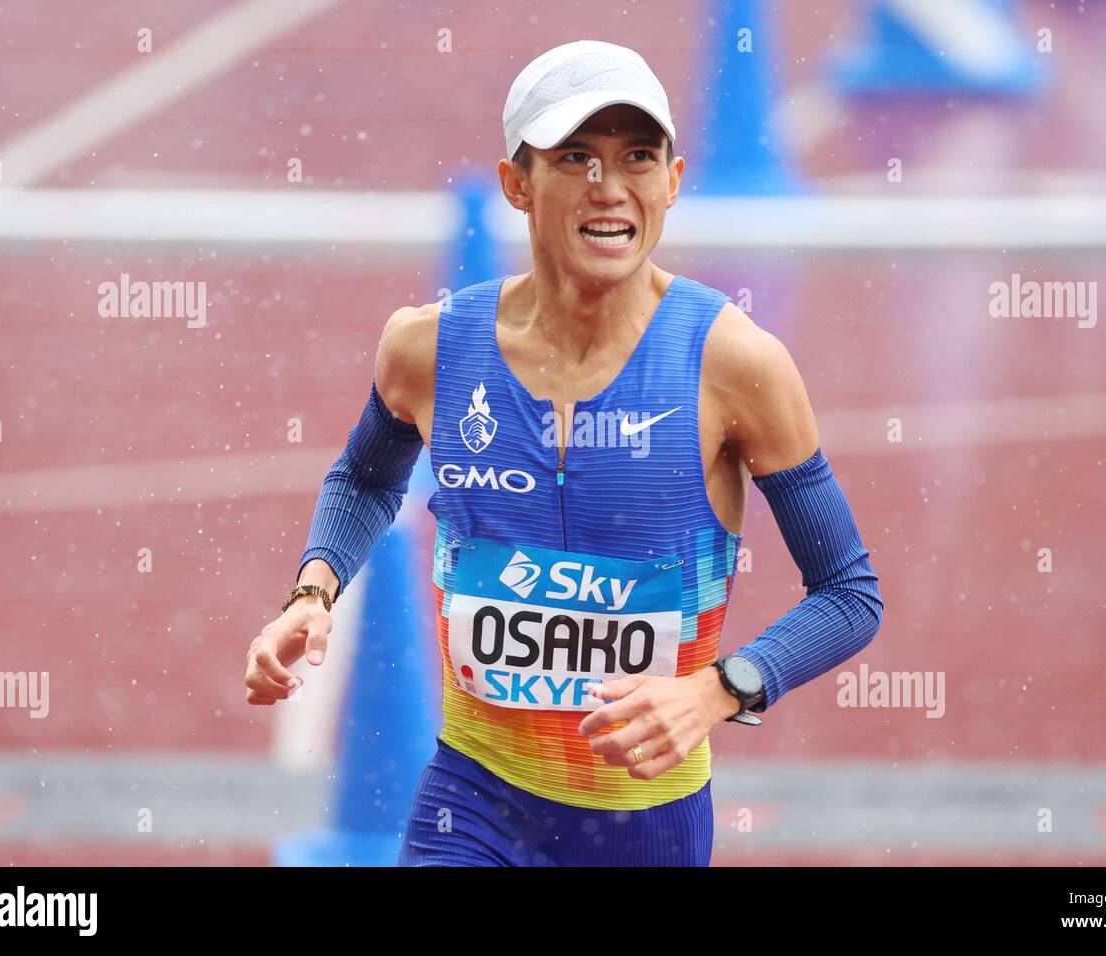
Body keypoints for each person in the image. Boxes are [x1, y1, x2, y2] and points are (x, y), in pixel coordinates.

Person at [244, 39, 883, 866]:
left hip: (645, 828)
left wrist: (719, 691)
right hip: (471, 803)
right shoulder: (426, 348)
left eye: (638, 158)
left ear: (675, 181)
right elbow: (365, 478)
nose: (609, 188)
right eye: (576, 157)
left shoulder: (734, 364)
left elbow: (849, 593)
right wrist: (314, 590)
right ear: (517, 184)